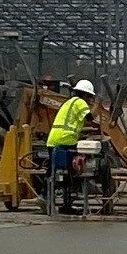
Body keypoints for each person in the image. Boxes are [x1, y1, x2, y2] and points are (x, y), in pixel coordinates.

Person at [45, 78, 95, 213]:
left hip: (53, 140)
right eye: (90, 97)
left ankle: (45, 197)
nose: (90, 100)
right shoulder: (80, 103)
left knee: (53, 171)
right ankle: (66, 204)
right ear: (85, 95)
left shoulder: (68, 102)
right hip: (65, 141)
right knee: (71, 173)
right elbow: (90, 119)